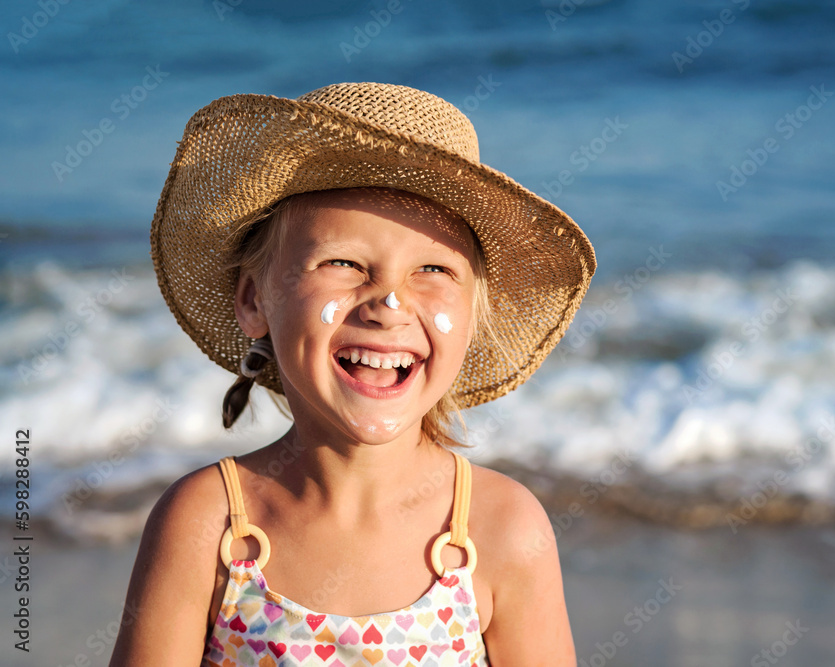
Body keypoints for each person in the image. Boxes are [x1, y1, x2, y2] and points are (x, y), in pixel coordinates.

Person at [110, 82, 596, 666]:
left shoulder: (501, 529)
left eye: (432, 270)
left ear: (472, 316)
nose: (388, 305)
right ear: (254, 299)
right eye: (342, 262)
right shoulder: (207, 523)